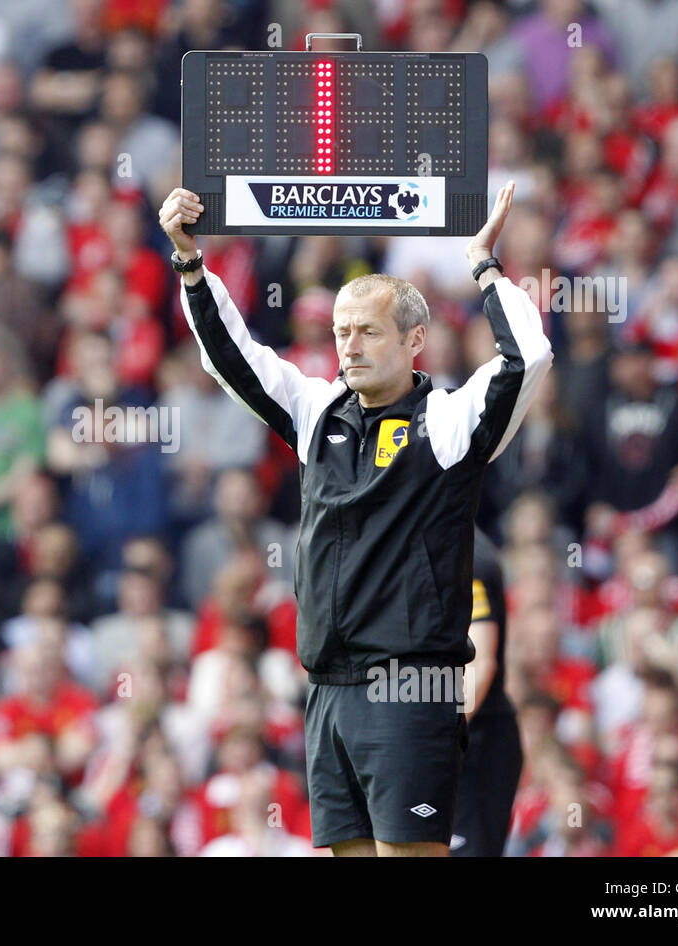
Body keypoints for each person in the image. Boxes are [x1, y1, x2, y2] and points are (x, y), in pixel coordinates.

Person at [158, 181, 553, 856]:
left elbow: (528, 357)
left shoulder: (450, 421)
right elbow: (233, 361)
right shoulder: (316, 414)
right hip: (328, 687)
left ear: (416, 339)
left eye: (368, 330)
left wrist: (486, 267)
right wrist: (191, 264)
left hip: (411, 684)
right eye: (343, 332)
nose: (350, 345)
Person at [450, 526, 524, 857]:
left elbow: (479, 667)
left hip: (477, 742)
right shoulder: (425, 542)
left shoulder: (469, 556)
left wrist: (437, 735)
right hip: (443, 741)